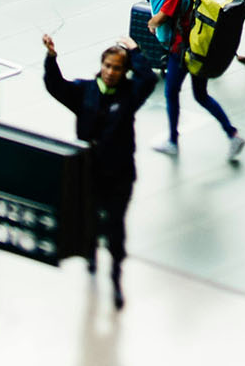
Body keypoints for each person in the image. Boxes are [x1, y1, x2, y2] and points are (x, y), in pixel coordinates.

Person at [41, 33, 158, 310]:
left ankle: (116, 277)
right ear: (101, 65)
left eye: (117, 68)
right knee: (90, 218)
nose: (110, 72)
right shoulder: (85, 91)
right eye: (107, 66)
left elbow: (150, 80)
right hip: (90, 173)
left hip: (119, 174)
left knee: (116, 226)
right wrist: (51, 58)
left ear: (124, 70)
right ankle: (91, 253)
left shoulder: (130, 95)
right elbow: (55, 85)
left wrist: (135, 50)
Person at [148, 0, 245, 162]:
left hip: (180, 51)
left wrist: (152, 23)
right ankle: (232, 134)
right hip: (201, 48)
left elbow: (163, 16)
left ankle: (172, 140)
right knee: (201, 95)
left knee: (171, 92)